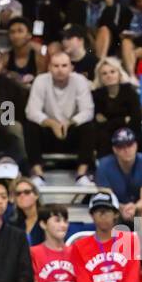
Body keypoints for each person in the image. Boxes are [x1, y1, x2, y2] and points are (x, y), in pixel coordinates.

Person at [70, 191, 139, 282]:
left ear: (116, 214)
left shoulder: (129, 241)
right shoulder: (79, 247)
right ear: (91, 215)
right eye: (98, 211)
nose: (103, 216)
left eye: (107, 211)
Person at [25, 50, 94, 185]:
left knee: (88, 126)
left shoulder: (80, 81)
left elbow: (88, 111)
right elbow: (31, 111)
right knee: (30, 126)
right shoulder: (40, 80)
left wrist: (70, 122)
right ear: (49, 67)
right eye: (56, 66)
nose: (60, 70)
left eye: (64, 66)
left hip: (71, 131)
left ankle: (81, 175)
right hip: (48, 133)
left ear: (71, 67)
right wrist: (51, 123)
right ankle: (38, 175)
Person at [95, 126, 142, 228]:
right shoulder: (104, 165)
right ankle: (107, 244)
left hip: (138, 210)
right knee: (104, 213)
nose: (126, 150)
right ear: (114, 149)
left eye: (129, 145)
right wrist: (121, 208)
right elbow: (106, 197)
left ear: (136, 146)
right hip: (115, 210)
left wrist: (135, 207)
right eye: (121, 146)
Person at [28, 203, 74, 282]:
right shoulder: (33, 252)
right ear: (43, 224)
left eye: (65, 221)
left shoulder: (75, 252)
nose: (63, 225)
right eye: (57, 220)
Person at [91, 55, 142, 162]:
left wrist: (110, 121)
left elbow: (136, 120)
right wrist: (122, 119)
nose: (109, 76)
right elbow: (97, 121)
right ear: (100, 78)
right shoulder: (96, 95)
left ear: (119, 74)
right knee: (100, 135)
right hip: (105, 137)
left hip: (130, 132)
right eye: (104, 73)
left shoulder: (130, 92)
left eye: (112, 72)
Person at [3, 16, 44, 87]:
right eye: (12, 32)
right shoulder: (5, 57)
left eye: (20, 31)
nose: (16, 35)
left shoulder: (38, 54)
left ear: (29, 35)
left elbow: (42, 82)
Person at [10, 175, 44, 244]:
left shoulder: (47, 219)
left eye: (27, 192)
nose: (22, 195)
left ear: (36, 195)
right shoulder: (13, 224)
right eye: (18, 193)